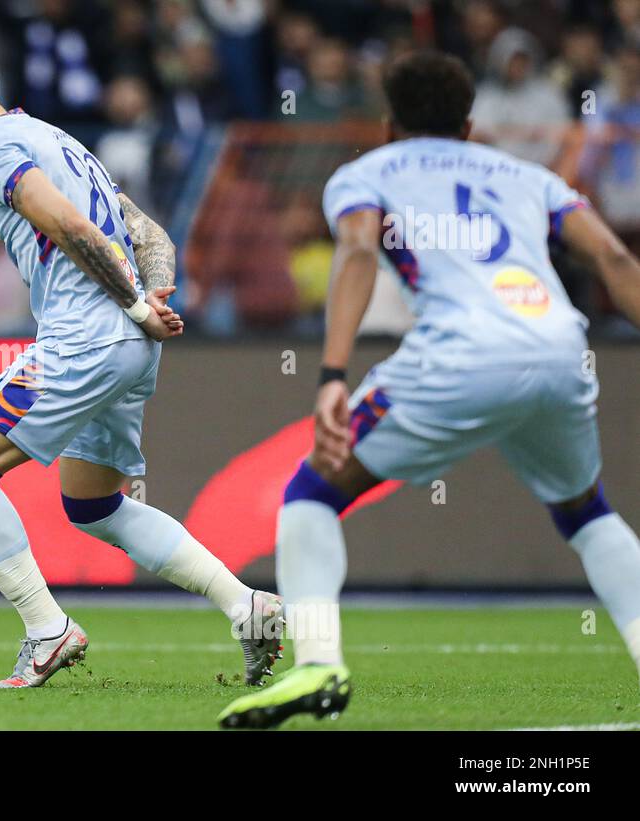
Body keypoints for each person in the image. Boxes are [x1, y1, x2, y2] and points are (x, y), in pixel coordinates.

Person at [219, 51, 640, 729]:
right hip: (562, 347)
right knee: (587, 514)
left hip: (461, 354)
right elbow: (615, 258)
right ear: (470, 127)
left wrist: (331, 373)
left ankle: (319, 664)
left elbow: (356, 252)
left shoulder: (365, 173)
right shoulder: (528, 174)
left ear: (388, 125)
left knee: (313, 492)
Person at [0, 31, 284, 689]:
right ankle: (246, 606)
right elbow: (151, 234)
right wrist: (152, 292)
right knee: (95, 505)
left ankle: (46, 629)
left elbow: (67, 227)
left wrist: (137, 304)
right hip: (128, 345)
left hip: (87, 336)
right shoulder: (60, 141)